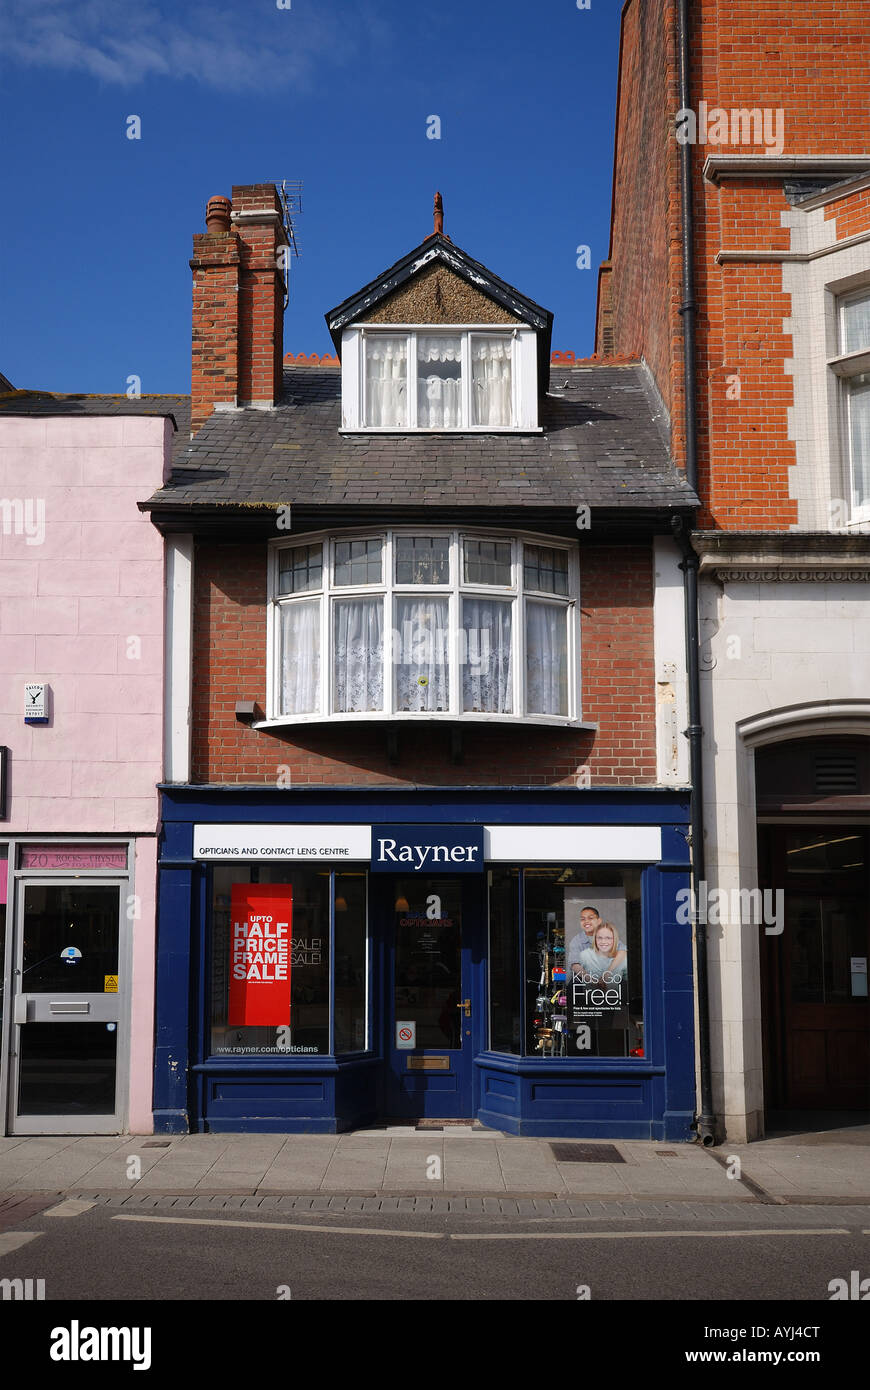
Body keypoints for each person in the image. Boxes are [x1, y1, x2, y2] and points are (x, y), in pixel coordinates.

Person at [567, 905, 626, 976]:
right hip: (581, 981)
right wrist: (590, 980)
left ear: (599, 921)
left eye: (590, 918)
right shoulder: (577, 941)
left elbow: (623, 951)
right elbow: (574, 964)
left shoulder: (608, 934)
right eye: (583, 919)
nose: (586, 921)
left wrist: (607, 974)